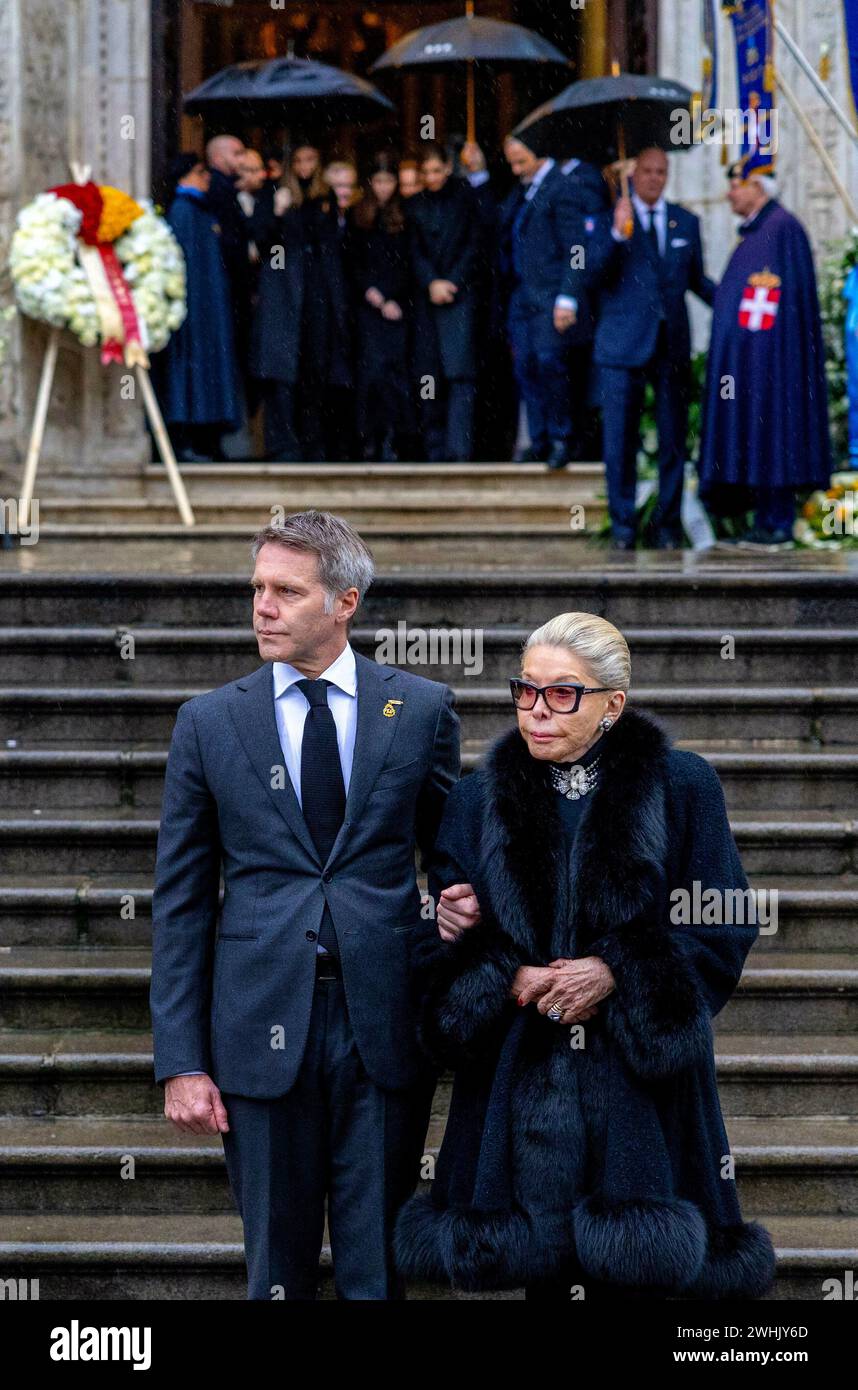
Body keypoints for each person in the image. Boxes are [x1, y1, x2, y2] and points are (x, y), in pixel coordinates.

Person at [394, 611, 776, 1302]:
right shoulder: (478, 798)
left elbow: (722, 923)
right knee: (533, 1270)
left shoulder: (683, 786)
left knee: (644, 1271)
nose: (537, 711)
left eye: (562, 693)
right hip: (517, 1074)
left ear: (613, 705)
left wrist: (615, 971)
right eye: (525, 691)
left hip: (641, 1084)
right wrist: (501, 970)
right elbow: (436, 938)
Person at [150, 510, 480, 1300]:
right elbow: (183, 902)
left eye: (286, 592)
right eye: (257, 588)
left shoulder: (422, 709)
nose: (262, 607)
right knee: (276, 1268)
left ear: (345, 603)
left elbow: (452, 853)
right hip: (257, 1027)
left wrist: (458, 902)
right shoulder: (209, 722)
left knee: (380, 1270)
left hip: (384, 1023)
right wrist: (182, 1061)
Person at [698, 161, 832, 547]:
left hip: (773, 368)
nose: (729, 193)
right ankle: (763, 519)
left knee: (776, 437)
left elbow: (783, 307)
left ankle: (777, 522)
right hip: (750, 368)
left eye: (736, 185)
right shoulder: (755, 232)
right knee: (756, 439)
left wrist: (763, 354)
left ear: (758, 187)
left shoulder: (782, 229)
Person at [589, 147, 716, 549]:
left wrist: (737, 303)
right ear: (634, 174)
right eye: (647, 171)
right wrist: (615, 233)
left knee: (673, 439)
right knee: (619, 441)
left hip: (671, 348)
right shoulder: (608, 221)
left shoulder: (686, 222)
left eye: (661, 172)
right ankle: (624, 527)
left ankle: (667, 527)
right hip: (622, 347)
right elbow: (590, 276)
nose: (654, 178)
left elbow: (698, 281)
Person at [499, 136, 600, 470]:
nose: (515, 170)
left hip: (551, 296)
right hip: (523, 296)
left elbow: (576, 247)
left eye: (520, 162)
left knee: (550, 365)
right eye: (511, 163)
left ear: (539, 153)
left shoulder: (563, 187)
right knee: (525, 366)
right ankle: (539, 439)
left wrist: (568, 297)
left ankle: (562, 438)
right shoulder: (524, 190)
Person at [156, 154, 240, 461]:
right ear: (184, 176)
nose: (206, 178)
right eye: (201, 172)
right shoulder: (182, 210)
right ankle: (186, 440)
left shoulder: (204, 210)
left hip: (211, 308)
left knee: (211, 373)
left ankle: (210, 439)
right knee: (191, 373)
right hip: (195, 310)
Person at [407, 143, 481, 461]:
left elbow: (474, 245)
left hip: (459, 297)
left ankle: (458, 451)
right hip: (427, 301)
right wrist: (431, 282)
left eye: (437, 170)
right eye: (426, 173)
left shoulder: (466, 200)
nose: (432, 177)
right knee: (428, 374)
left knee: (460, 376)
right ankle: (434, 449)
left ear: (448, 168)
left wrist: (452, 281)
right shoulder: (414, 205)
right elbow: (413, 251)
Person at [291, 144, 354, 461]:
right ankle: (309, 445)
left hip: (326, 301)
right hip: (299, 300)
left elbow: (332, 253)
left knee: (329, 374)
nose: (304, 166)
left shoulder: (325, 202)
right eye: (299, 160)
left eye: (310, 159)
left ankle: (331, 446)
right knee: (307, 376)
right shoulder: (287, 198)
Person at [350, 153, 413, 461]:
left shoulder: (405, 216)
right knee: (370, 377)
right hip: (369, 310)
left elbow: (408, 264)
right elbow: (352, 263)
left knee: (394, 378)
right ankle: (368, 438)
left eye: (389, 180)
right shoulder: (358, 216)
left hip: (396, 309)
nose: (384, 187)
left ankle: (391, 439)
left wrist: (392, 298)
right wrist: (371, 292)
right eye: (379, 180)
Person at [561, 156, 613, 463]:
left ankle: (592, 446)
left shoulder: (589, 180)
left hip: (600, 310)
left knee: (594, 384)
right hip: (583, 308)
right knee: (581, 380)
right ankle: (583, 443)